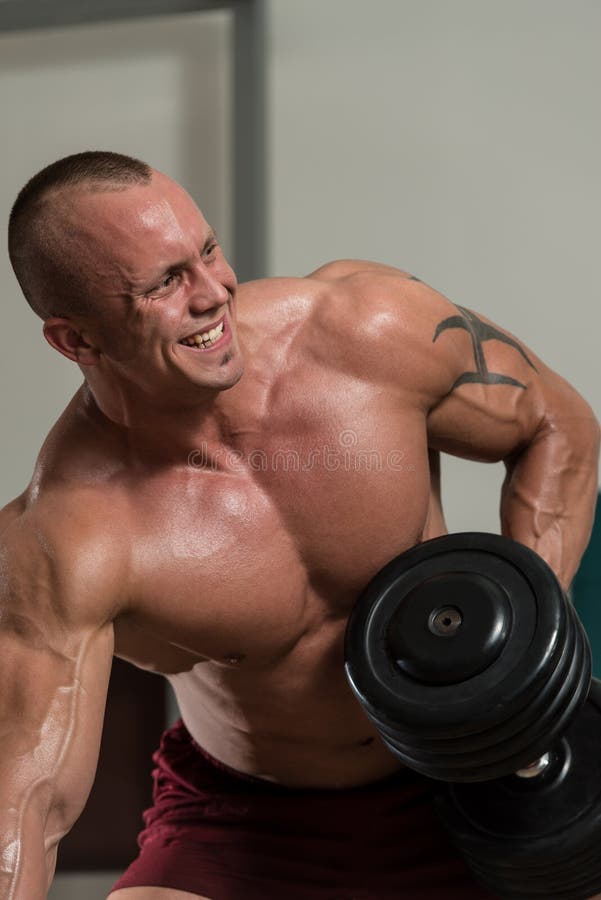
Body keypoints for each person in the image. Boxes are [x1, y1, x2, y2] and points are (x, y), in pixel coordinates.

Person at [1, 150, 598, 900]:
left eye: (208, 251)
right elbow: (27, 805)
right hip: (247, 822)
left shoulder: (362, 332)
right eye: (164, 284)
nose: (212, 293)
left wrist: (522, 668)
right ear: (77, 341)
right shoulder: (66, 537)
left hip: (480, 775)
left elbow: (557, 425)